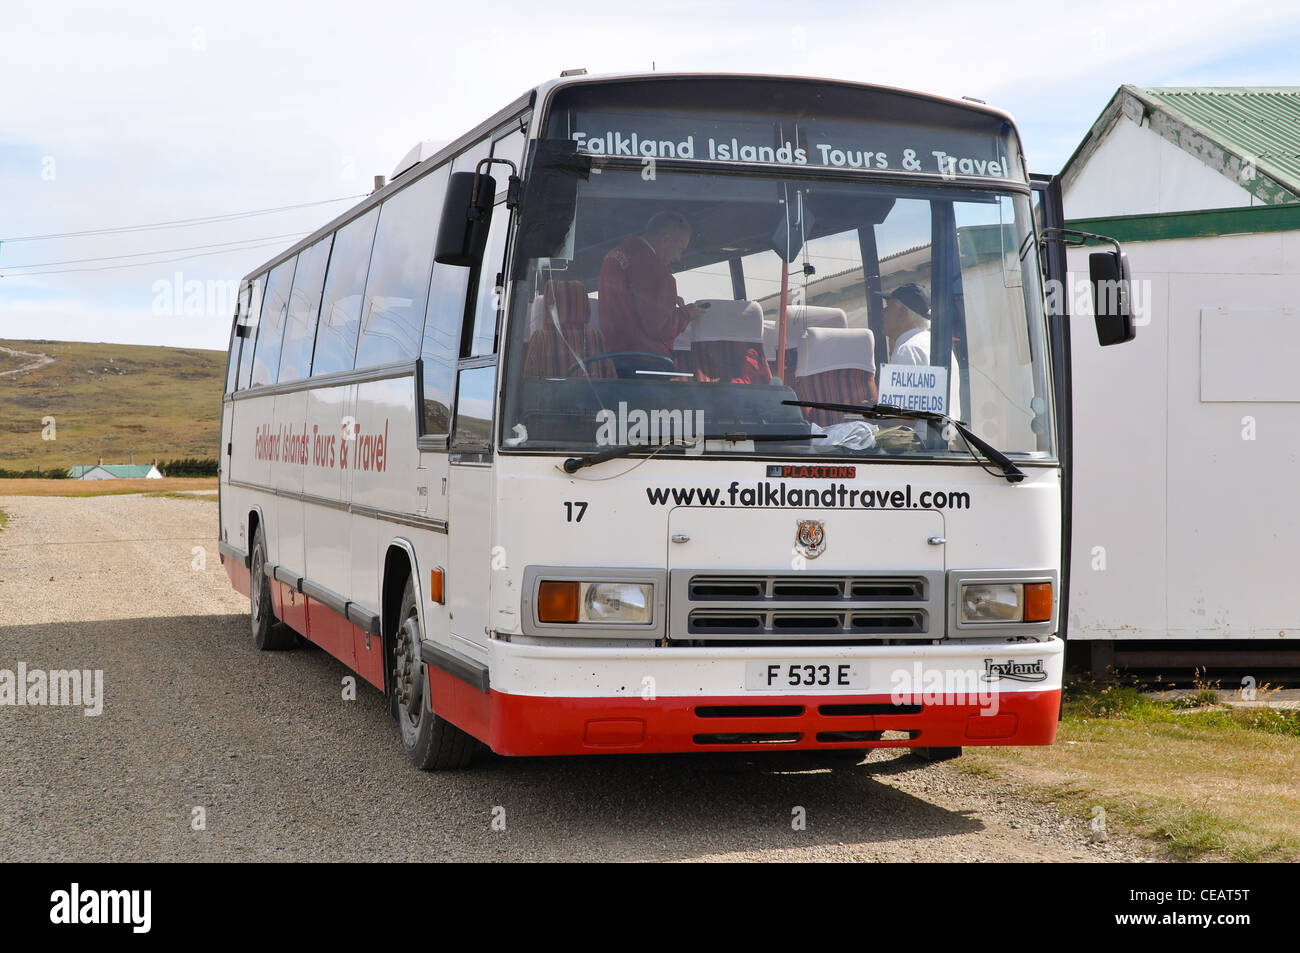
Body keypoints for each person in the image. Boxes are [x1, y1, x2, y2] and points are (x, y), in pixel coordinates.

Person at [598, 211, 705, 376]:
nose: (678, 257)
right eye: (679, 249)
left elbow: (629, 299)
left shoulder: (614, 255)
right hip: (646, 365)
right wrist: (686, 314)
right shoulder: (655, 269)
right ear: (666, 240)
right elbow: (659, 327)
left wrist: (665, 299)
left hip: (614, 361)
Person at [879, 282, 932, 365]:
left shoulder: (907, 351)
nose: (883, 311)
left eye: (888, 307)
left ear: (902, 313)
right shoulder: (934, 343)